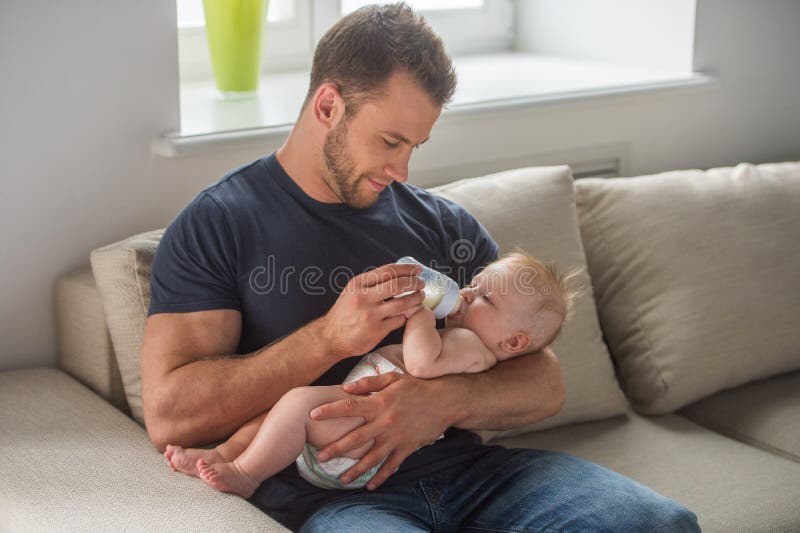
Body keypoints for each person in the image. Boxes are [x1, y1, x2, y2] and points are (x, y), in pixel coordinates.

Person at [141, 3, 700, 531]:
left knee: (663, 524)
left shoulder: (444, 226)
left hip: (476, 478)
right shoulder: (220, 224)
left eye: (416, 145)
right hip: (340, 498)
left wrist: (440, 401)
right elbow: (171, 417)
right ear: (328, 106)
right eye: (390, 141)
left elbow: (544, 380)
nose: (403, 169)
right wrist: (329, 339)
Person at [163, 251, 575, 497]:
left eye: (484, 297)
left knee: (297, 404)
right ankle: (220, 454)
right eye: (472, 284)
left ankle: (246, 474)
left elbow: (420, 364)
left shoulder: (473, 347)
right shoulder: (470, 335)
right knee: (282, 411)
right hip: (353, 434)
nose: (466, 294)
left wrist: (420, 314)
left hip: (358, 444)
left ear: (514, 342)